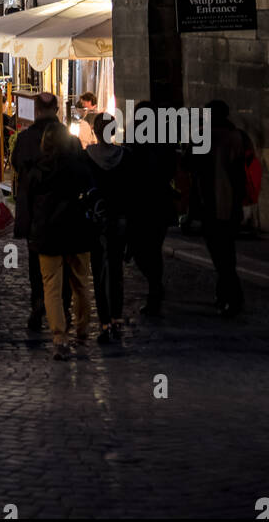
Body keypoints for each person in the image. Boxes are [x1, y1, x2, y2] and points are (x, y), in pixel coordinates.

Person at [25, 121, 94, 360]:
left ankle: (59, 337)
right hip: (77, 230)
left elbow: (28, 203)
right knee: (81, 284)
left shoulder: (38, 170)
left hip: (48, 233)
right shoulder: (81, 168)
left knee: (52, 288)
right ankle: (83, 330)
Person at [12, 92, 70, 332]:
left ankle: (38, 303)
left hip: (34, 211)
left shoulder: (25, 139)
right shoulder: (68, 137)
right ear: (56, 109)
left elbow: (16, 164)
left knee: (36, 263)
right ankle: (63, 306)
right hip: (64, 211)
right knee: (63, 261)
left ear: (35, 111)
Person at [188, 100, 246, 316]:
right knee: (227, 252)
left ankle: (231, 295)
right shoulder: (236, 137)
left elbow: (189, 165)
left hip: (210, 201)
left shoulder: (203, 136)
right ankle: (227, 294)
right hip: (230, 202)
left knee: (219, 253)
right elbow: (240, 173)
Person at [86, 113, 137, 344]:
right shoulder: (125, 157)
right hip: (120, 219)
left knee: (99, 272)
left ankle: (105, 322)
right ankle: (116, 319)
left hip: (96, 222)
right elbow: (132, 193)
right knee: (116, 271)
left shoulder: (86, 158)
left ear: (95, 132)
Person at [128, 100, 177, 317]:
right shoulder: (162, 141)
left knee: (143, 250)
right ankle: (155, 287)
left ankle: (155, 290)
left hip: (143, 203)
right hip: (157, 202)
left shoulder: (137, 141)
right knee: (150, 249)